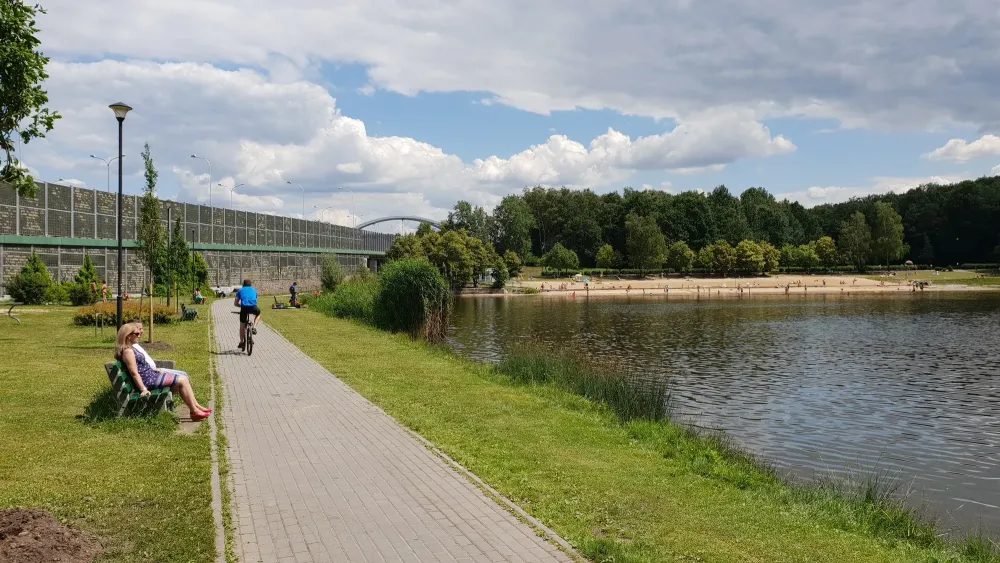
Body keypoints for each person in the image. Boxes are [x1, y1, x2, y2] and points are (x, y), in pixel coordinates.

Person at [114, 322, 211, 420]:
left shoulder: (131, 349)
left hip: (151, 376)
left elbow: (141, 366)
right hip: (149, 380)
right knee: (183, 380)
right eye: (136, 334)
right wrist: (143, 389)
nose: (139, 335)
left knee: (182, 380)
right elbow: (134, 372)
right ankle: (194, 410)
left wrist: (155, 370)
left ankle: (195, 408)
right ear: (128, 336)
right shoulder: (128, 352)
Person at [234, 279, 261, 351]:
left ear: (243, 284)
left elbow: (235, 303)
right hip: (253, 307)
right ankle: (254, 327)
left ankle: (241, 342)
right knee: (258, 314)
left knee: (242, 325)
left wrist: (241, 306)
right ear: (250, 284)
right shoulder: (254, 290)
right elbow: (256, 302)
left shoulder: (240, 291)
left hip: (244, 309)